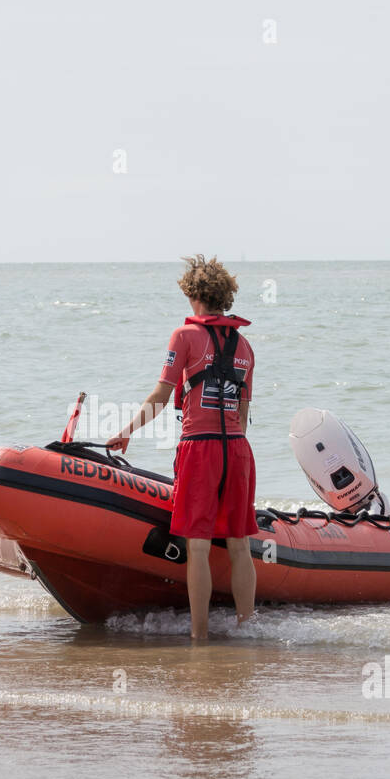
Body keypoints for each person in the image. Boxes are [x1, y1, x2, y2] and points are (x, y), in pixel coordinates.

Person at [107, 255, 257, 640]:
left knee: (200, 546)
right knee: (239, 545)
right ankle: (247, 628)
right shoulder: (245, 347)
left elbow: (161, 393)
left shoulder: (184, 336)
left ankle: (199, 636)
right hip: (238, 451)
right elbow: (241, 410)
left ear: (194, 296)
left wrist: (128, 430)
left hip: (200, 449)